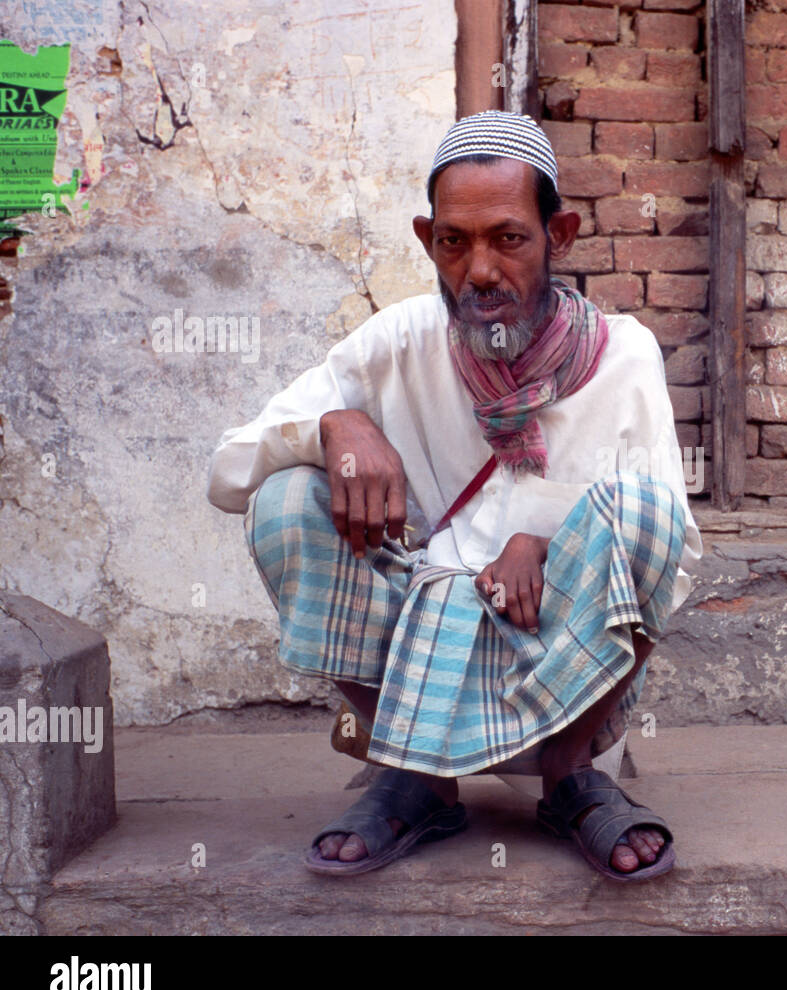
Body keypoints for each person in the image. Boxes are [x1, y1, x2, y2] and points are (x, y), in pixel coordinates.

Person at [206, 110, 702, 881]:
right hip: (414, 667)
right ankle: (418, 781)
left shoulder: (623, 354)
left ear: (559, 235)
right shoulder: (396, 342)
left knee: (649, 513)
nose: (478, 270)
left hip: (564, 668)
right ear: (426, 240)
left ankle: (572, 778)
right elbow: (228, 469)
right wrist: (334, 427)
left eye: (508, 238)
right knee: (284, 500)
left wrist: (542, 538)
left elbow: (674, 549)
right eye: (453, 241)